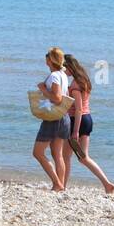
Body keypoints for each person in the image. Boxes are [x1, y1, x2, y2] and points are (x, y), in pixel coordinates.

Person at [58, 54, 114, 194]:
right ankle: (107, 184)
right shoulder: (84, 80)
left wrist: (75, 131)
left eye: (63, 68)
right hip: (87, 119)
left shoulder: (75, 85)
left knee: (66, 156)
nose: (63, 72)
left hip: (77, 121)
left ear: (69, 67)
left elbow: (78, 109)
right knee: (84, 158)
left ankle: (62, 186)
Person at [32, 47, 71, 191]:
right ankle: (59, 186)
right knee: (57, 154)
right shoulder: (63, 75)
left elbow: (57, 98)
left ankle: (57, 183)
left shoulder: (55, 76)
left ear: (50, 60)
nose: (46, 61)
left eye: (47, 58)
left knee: (38, 152)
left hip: (53, 118)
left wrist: (43, 89)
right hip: (64, 117)